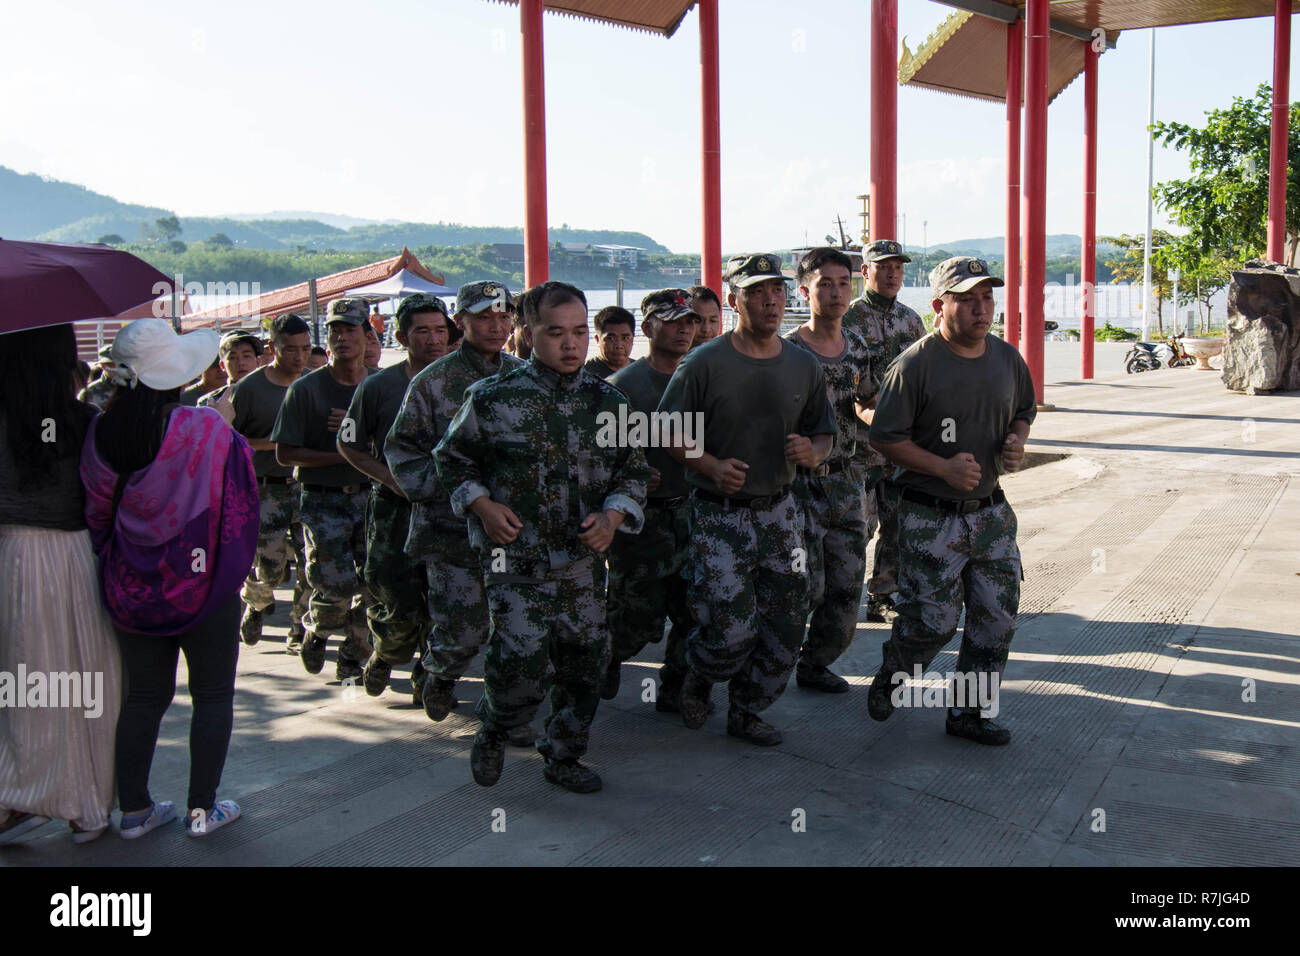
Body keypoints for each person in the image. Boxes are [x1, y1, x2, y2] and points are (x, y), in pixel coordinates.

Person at [435, 281, 649, 793]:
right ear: (528, 334)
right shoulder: (490, 399)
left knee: (584, 666)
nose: (571, 344)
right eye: (556, 333)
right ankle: (496, 725)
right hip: (516, 562)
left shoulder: (611, 403)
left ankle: (563, 754)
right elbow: (450, 460)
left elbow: (635, 472)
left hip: (580, 564)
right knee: (518, 665)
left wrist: (613, 518)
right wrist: (483, 506)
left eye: (579, 332)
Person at [80, 317, 258, 839]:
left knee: (143, 697)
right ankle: (202, 810)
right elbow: (241, 501)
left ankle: (133, 811)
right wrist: (224, 423)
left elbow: (95, 517)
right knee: (212, 695)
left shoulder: (102, 430)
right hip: (205, 584)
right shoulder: (204, 427)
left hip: (130, 586)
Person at [657, 254, 837, 746]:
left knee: (786, 623)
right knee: (729, 630)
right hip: (720, 516)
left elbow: (826, 435)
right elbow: (666, 429)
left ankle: (748, 708)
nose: (772, 300)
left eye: (778, 290)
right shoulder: (704, 363)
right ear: (735, 300)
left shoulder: (803, 365)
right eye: (758, 292)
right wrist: (709, 464)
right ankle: (698, 672)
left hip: (782, 512)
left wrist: (812, 452)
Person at [867, 257, 1035, 745]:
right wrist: (941, 467)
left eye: (986, 298)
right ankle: (896, 670)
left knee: (995, 619)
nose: (981, 309)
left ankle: (969, 714)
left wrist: (1016, 441)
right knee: (932, 622)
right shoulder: (915, 366)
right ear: (939, 305)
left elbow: (1023, 410)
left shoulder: (1007, 359)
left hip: (991, 514)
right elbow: (884, 437)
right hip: (928, 516)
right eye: (966, 299)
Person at [386, 282, 530, 734]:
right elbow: (404, 455)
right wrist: (465, 497)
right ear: (461, 323)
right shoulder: (432, 382)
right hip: (451, 531)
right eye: (484, 317)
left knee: (517, 630)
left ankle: (508, 716)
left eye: (504, 316)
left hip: (515, 529)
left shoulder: (524, 375)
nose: (496, 325)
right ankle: (440, 670)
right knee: (463, 632)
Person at [0, 324, 121, 846]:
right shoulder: (85, 420)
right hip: (76, 556)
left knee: (22, 683)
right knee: (88, 681)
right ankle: (87, 808)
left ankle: (16, 797)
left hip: (12, 556)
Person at [339, 293, 451, 697]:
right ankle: (386, 653)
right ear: (402, 336)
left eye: (441, 330)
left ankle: (431, 674)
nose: (434, 340)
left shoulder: (463, 383)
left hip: (448, 511)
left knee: (446, 602)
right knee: (398, 602)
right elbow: (348, 443)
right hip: (394, 510)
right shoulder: (378, 387)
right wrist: (388, 478)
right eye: (423, 331)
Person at [601, 289, 700, 711]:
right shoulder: (622, 389)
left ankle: (676, 688)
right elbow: (597, 463)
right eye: (673, 320)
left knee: (696, 613)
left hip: (693, 513)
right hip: (641, 523)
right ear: (648, 328)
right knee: (636, 618)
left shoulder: (700, 377)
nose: (685, 329)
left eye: (691, 321)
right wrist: (632, 477)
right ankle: (602, 658)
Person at [785, 248, 877, 693]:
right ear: (805, 291)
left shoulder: (858, 348)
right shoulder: (786, 352)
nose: (837, 292)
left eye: (844, 282)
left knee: (846, 586)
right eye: (825, 283)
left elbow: (869, 401)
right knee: (806, 584)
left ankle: (816, 663)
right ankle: (769, 665)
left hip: (846, 480)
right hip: (796, 485)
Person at [271, 299, 376, 682]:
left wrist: (365, 444)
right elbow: (285, 454)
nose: (342, 337)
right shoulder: (306, 390)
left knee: (373, 585)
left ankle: (354, 653)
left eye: (350, 329)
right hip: (322, 500)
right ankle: (318, 629)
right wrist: (343, 451)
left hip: (371, 497)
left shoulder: (380, 385)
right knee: (334, 586)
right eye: (334, 330)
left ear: (368, 335)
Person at [843, 238, 928, 623]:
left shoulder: (912, 320)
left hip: (899, 445)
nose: (893, 273)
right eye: (884, 266)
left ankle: (884, 596)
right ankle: (842, 596)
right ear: (866, 272)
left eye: (898, 267)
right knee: (857, 525)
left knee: (897, 525)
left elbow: (925, 376)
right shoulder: (848, 319)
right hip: (857, 444)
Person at [231, 314, 313, 651]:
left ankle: (300, 627)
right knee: (270, 567)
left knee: (312, 564)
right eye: (290, 349)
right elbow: (230, 441)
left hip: (306, 485)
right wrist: (276, 443)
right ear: (272, 348)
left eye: (306, 349)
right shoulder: (249, 389)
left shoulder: (314, 383)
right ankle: (256, 601)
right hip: (265, 487)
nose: (299, 356)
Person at [199, 330, 262, 424]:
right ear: (222, 366)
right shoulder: (211, 402)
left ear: (258, 361)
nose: (241, 363)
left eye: (246, 356)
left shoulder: (276, 393)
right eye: (232, 358)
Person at [584, 306, 634, 380]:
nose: (619, 345)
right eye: (611, 338)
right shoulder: (586, 376)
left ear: (633, 339)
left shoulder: (641, 372)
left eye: (625, 338)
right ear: (597, 339)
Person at [77, 344, 118, 410]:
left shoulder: (135, 388)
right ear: (102, 365)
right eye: (112, 364)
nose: (117, 368)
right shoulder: (88, 393)